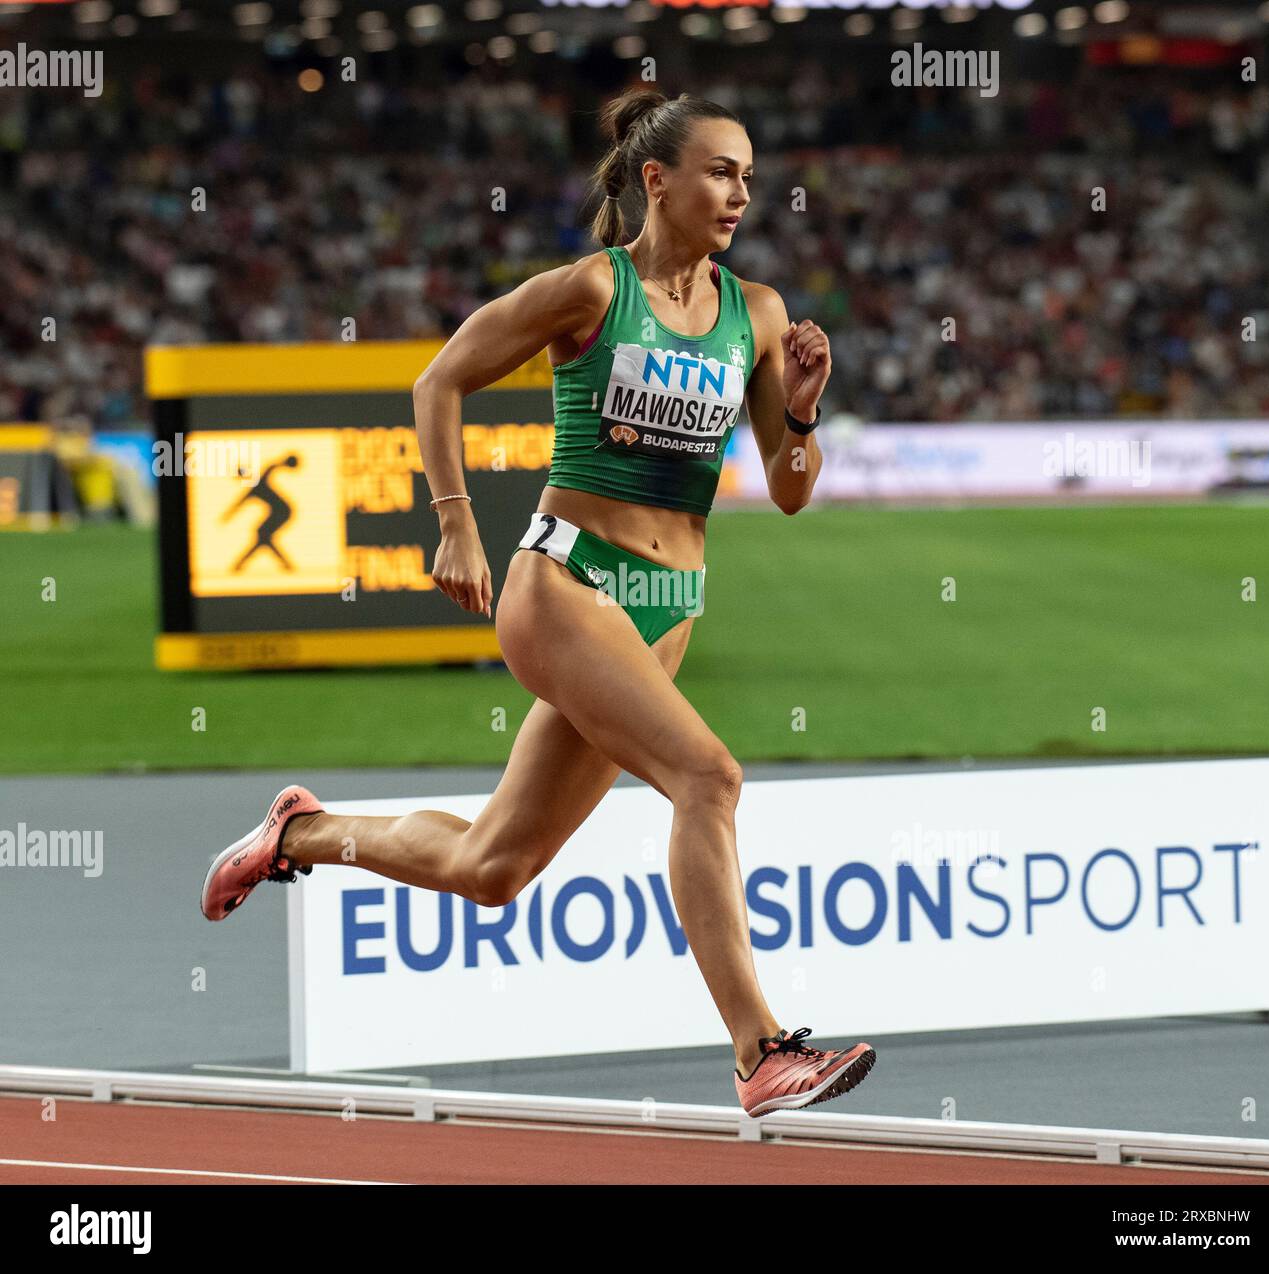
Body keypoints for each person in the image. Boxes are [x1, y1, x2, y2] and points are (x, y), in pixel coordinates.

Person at [200, 89, 875, 1118]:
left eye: (747, 173)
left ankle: (297, 834)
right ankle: (760, 1049)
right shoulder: (589, 292)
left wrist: (801, 412)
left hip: (669, 605)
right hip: (565, 584)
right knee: (708, 776)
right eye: (720, 171)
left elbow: (787, 489)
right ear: (657, 180)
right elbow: (439, 382)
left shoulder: (762, 313)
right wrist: (457, 521)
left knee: (493, 865)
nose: (743, 191)